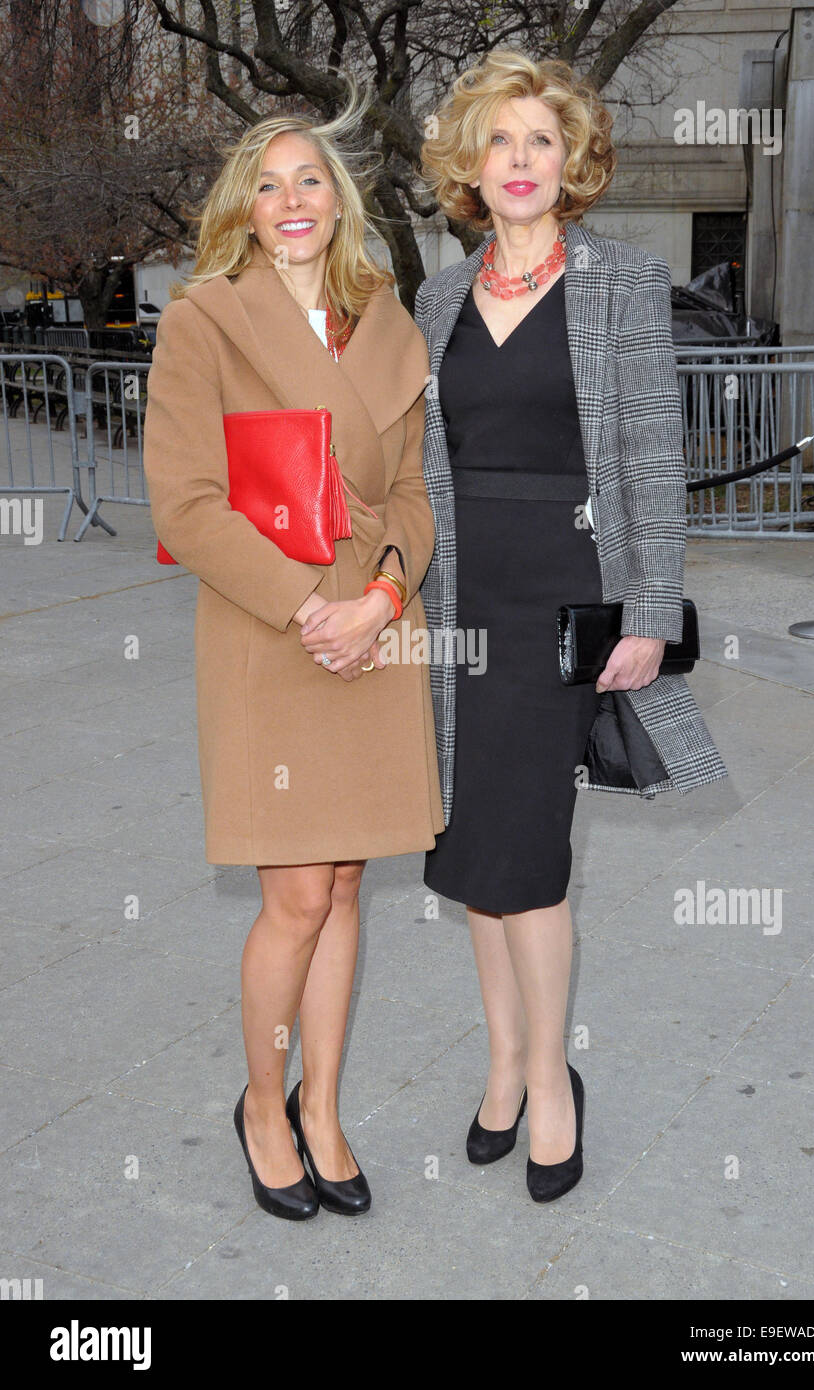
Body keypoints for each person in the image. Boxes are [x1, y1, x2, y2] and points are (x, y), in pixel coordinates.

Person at [415, 50, 728, 1203]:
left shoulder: (620, 283)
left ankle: (551, 1077)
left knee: (531, 857)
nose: (518, 161)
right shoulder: (438, 296)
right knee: (471, 854)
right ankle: (500, 1059)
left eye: (539, 142)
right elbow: (421, 464)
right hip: (459, 605)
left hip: (566, 603)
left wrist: (646, 615)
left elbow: (653, 458)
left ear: (571, 162)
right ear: (469, 163)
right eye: (497, 141)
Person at [143, 94, 444, 1221]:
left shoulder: (388, 320)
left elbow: (414, 495)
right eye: (266, 185)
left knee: (348, 882)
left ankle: (325, 1108)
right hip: (268, 633)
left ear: (339, 198)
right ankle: (264, 1105)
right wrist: (300, 604)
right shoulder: (205, 319)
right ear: (245, 210)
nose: (290, 201)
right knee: (295, 895)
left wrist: (376, 595)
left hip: (375, 625)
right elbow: (181, 498)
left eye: (307, 179)